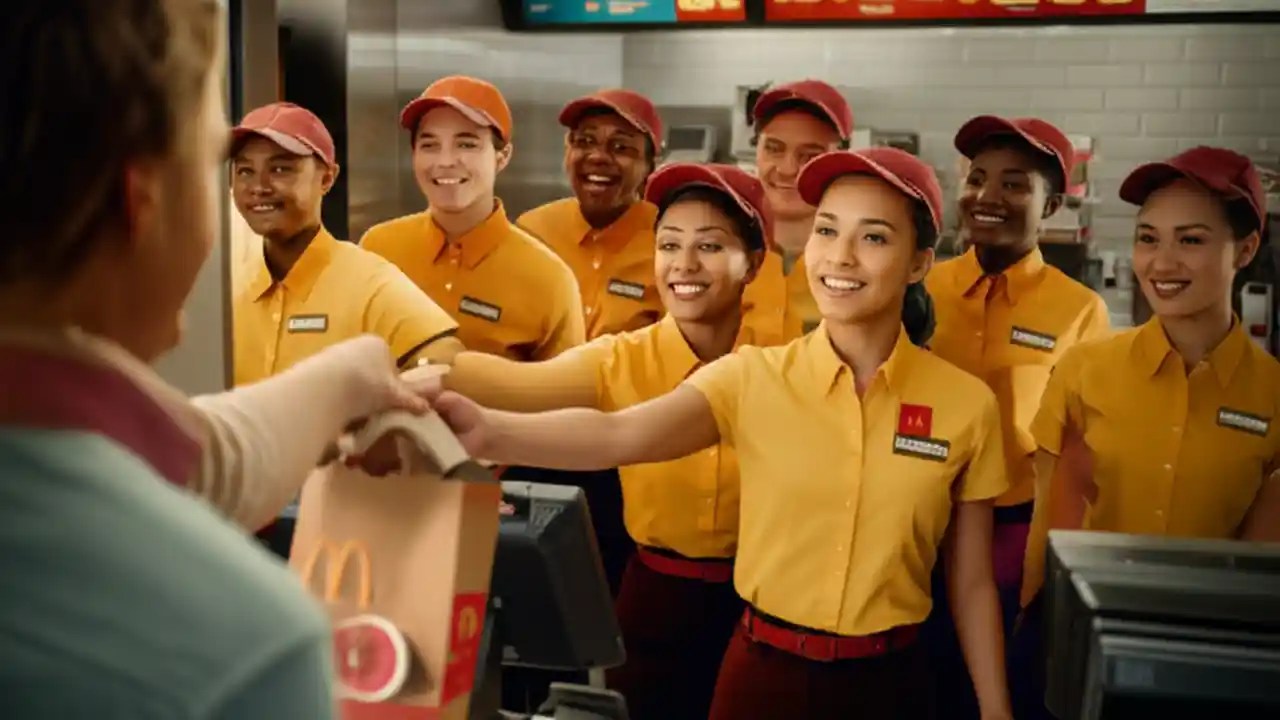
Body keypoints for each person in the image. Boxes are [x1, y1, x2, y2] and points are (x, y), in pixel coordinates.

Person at [422, 148, 1016, 720]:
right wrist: (490, 432)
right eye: (827, 231)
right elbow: (617, 436)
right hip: (763, 675)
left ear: (919, 262)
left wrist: (995, 707)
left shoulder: (965, 406)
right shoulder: (752, 378)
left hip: (892, 684)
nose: (841, 257)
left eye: (875, 237)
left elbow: (970, 583)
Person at [0, 3, 427, 717]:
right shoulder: (245, 652)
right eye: (216, 169)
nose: (249, 193)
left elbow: (196, 458)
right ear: (137, 203)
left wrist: (353, 376)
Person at [405, 163, 771, 720]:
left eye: (711, 246)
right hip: (652, 602)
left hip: (757, 610)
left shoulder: (784, 368)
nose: (685, 264)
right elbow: (508, 383)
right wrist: (404, 373)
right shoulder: (619, 358)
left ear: (754, 264)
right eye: (669, 244)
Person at [1012, 146, 1280, 718]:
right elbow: (1047, 525)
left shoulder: (1274, 397)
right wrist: (1029, 635)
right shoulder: (1086, 371)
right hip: (1080, 646)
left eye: (1190, 240)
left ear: (1247, 249)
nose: (1161, 262)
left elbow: (1262, 569)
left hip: (1212, 667)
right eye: (1148, 238)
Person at [921, 115, 1111, 719]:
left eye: (1014, 184)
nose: (988, 197)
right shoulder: (922, 287)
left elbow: (1083, 451)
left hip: (1011, 544)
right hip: (914, 529)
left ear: (1051, 204)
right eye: (977, 179)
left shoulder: (1079, 310)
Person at [232, 101, 463, 389]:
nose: (259, 187)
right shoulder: (231, 291)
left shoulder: (369, 283)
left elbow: (444, 357)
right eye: (244, 171)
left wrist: (381, 408)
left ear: (327, 178)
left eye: (280, 169)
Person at [361, 76, 585, 361]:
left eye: (466, 145)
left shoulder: (550, 279)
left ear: (502, 157)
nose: (445, 161)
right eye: (430, 145)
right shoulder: (378, 248)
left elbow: (566, 395)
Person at [517, 88, 666, 340]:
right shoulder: (532, 231)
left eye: (621, 147)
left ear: (649, 168)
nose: (598, 156)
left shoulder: (669, 244)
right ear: (567, 153)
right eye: (584, 142)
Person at [741, 79, 853, 342]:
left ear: (840, 160)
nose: (788, 169)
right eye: (774, 149)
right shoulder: (718, 251)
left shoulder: (860, 261)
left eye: (810, 156)